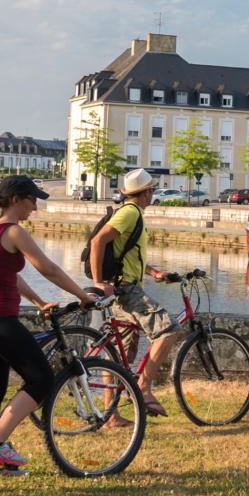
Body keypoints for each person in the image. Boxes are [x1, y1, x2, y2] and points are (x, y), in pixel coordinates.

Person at [0, 175, 97, 476]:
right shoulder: (14, 231)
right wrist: (83, 296)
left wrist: (39, 302)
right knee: (42, 379)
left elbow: (8, 276)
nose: (35, 208)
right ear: (16, 200)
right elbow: (49, 268)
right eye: (32, 200)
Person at [88, 168, 179, 416]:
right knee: (169, 329)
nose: (153, 194)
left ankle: (110, 416)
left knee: (119, 356)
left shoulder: (131, 213)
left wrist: (154, 272)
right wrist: (98, 282)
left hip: (123, 287)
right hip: (126, 290)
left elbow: (127, 255)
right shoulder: (130, 213)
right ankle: (143, 387)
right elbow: (98, 241)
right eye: (152, 190)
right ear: (146, 192)